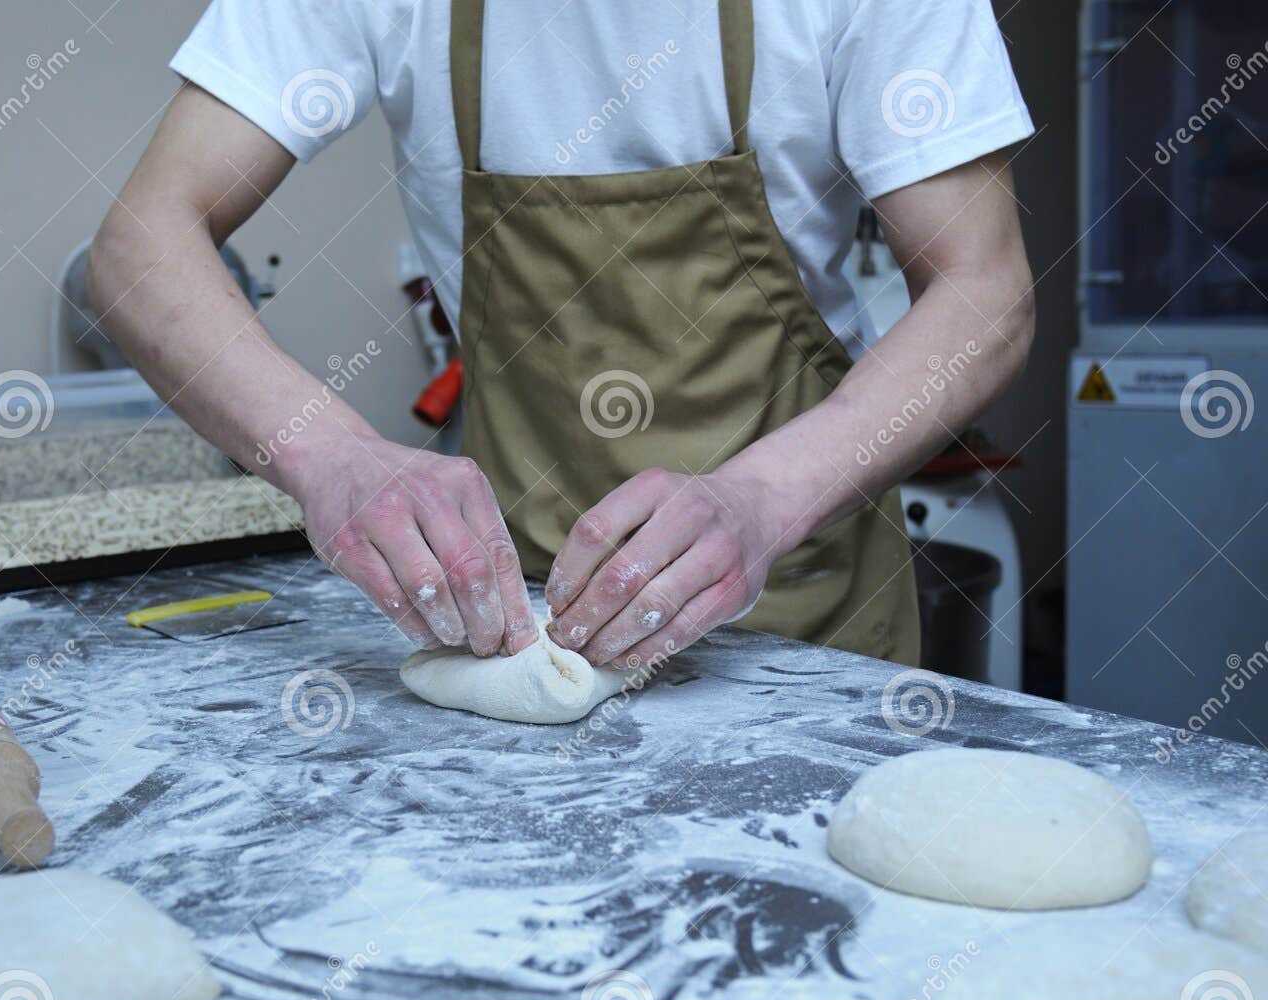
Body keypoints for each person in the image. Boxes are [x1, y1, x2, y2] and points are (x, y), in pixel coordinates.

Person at [89, 0, 1035, 671]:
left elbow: (984, 294)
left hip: (802, 614)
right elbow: (140, 247)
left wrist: (757, 500)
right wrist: (330, 454)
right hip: (514, 630)